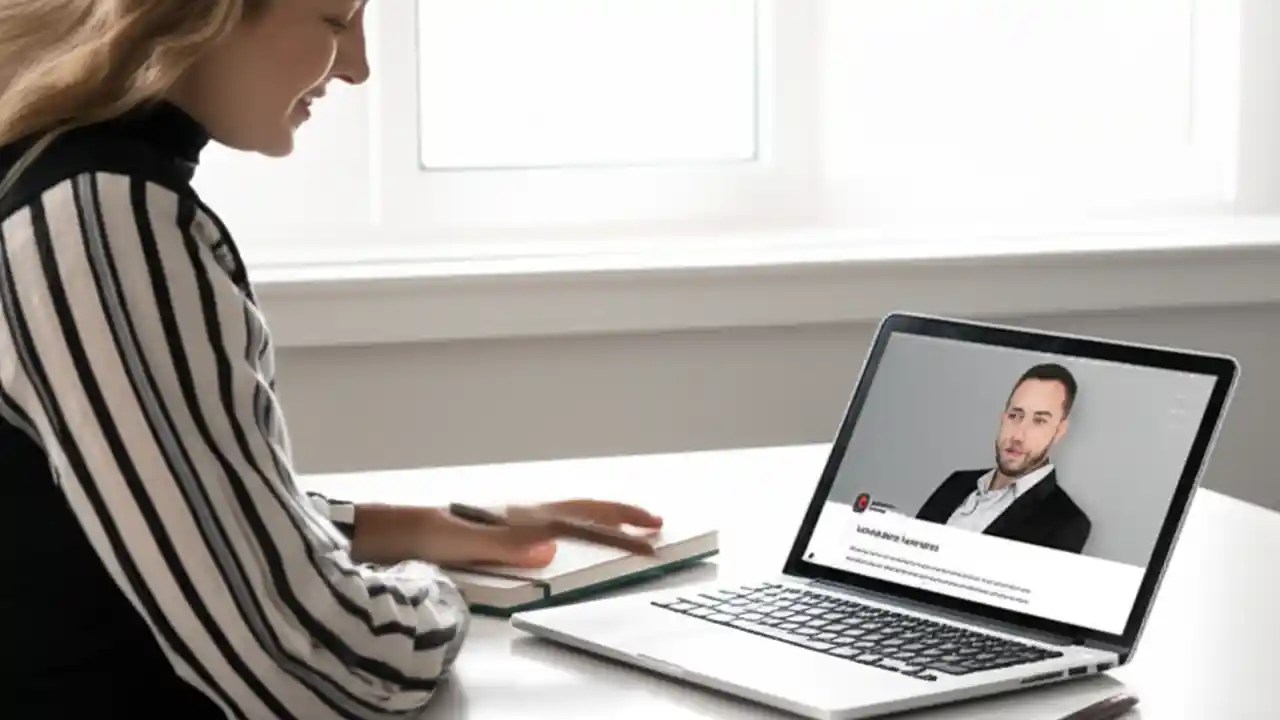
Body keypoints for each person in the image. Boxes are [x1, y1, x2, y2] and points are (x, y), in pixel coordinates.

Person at [0, 2, 663, 717]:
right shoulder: (101, 220)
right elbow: (312, 661)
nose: (358, 66)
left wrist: (427, 525)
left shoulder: (57, 178)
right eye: (335, 19)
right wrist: (434, 590)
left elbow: (138, 504)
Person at [915, 363, 1092, 554]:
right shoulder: (957, 482)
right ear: (1003, 416)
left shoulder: (1067, 522)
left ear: (1059, 431)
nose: (1017, 436)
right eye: (1015, 416)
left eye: (1039, 421)